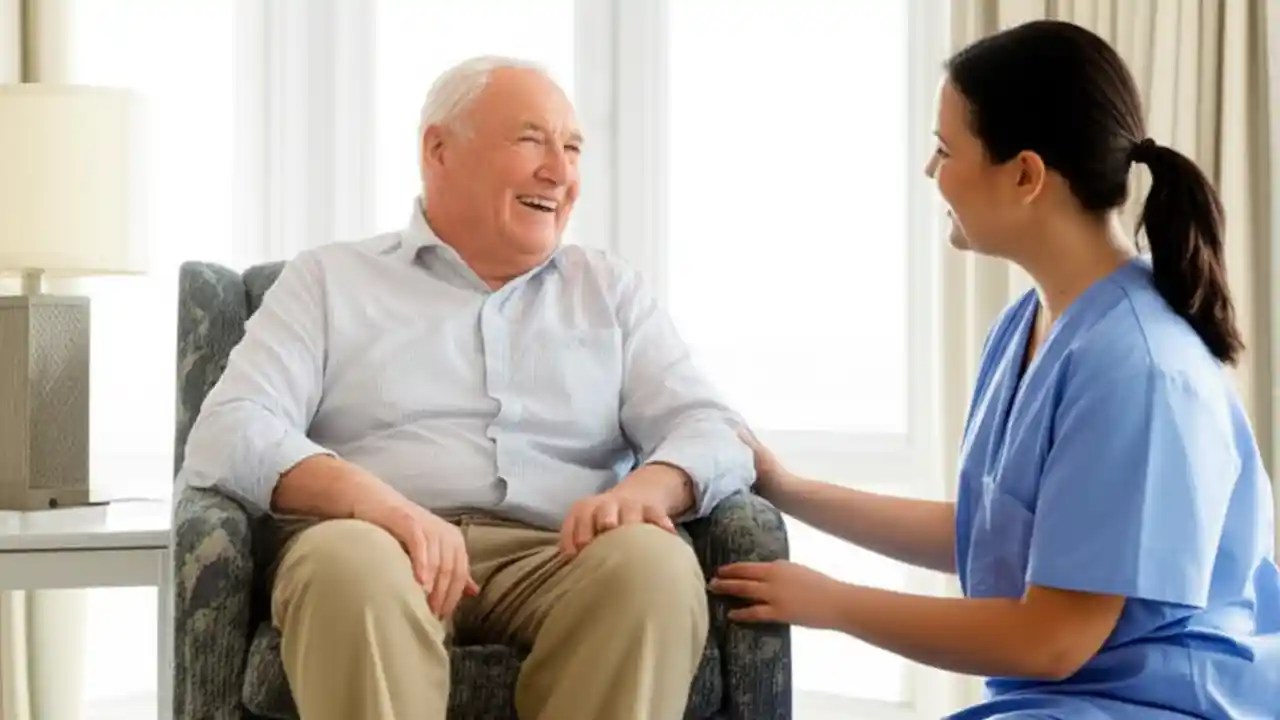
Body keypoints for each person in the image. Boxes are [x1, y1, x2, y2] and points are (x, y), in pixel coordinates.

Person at [710, 20, 1280, 719]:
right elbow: (990, 534)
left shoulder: (1140, 367)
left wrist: (834, 603)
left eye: (945, 149)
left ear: (1025, 174)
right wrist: (786, 487)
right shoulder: (1030, 326)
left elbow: (1054, 640)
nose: (930, 172)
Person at [178, 56, 752, 720]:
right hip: (381, 546)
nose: (561, 173)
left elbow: (715, 432)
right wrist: (382, 508)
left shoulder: (610, 291)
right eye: (532, 140)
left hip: (561, 553)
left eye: (572, 149)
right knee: (349, 565)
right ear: (438, 148)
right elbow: (229, 429)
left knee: (654, 568)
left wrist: (646, 489)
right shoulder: (328, 280)